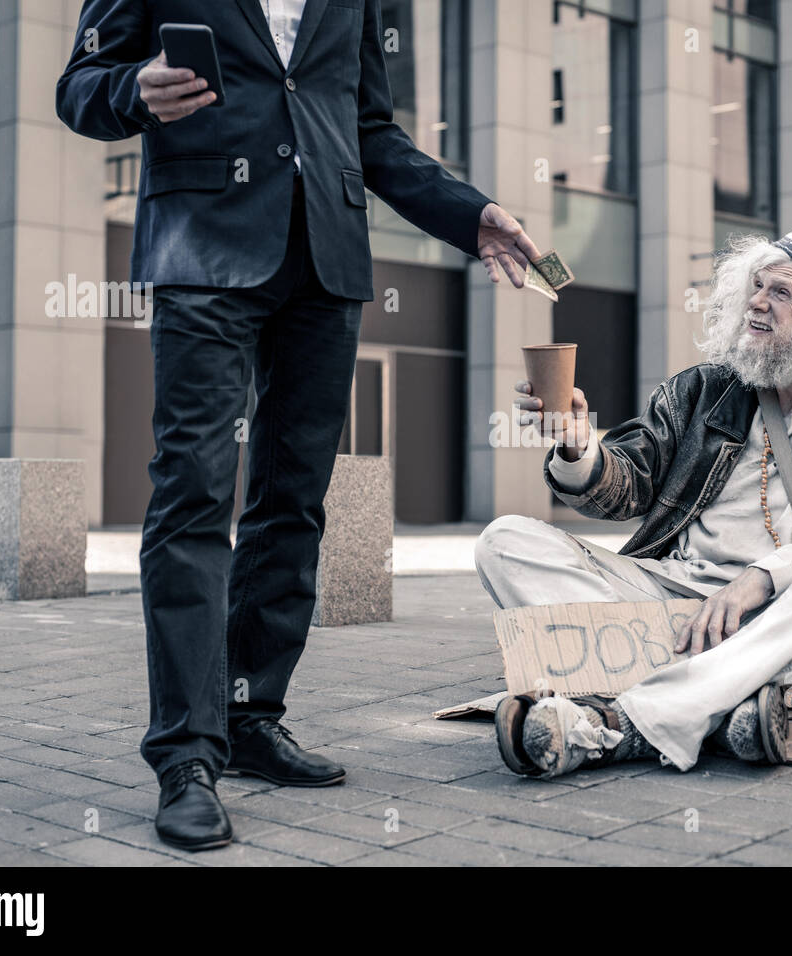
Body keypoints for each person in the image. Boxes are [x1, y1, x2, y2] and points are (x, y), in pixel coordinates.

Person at [56, 0, 542, 851]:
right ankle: (186, 756)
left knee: (293, 502)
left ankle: (250, 715)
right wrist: (135, 87)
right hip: (203, 251)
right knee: (195, 498)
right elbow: (80, 88)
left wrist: (467, 212)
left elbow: (367, 129)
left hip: (325, 259)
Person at [476, 204, 792, 779]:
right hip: (676, 606)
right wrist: (579, 447)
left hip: (790, 611)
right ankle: (723, 709)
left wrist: (766, 576)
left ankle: (625, 720)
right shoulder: (701, 389)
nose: (757, 301)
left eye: (780, 292)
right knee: (504, 542)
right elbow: (627, 488)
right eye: (755, 286)